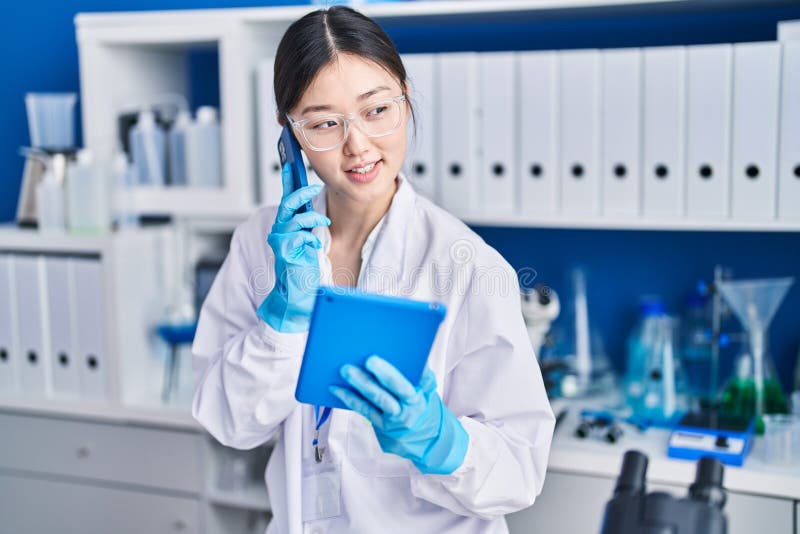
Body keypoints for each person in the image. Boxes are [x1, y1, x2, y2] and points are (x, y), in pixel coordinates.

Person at [192, 6, 554, 534]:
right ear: (288, 133)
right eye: (323, 124)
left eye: (377, 110)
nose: (357, 145)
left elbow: (519, 471)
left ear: (405, 97)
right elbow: (228, 422)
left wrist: (439, 439)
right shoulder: (260, 243)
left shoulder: (466, 265)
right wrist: (281, 325)